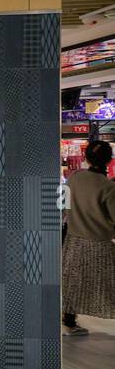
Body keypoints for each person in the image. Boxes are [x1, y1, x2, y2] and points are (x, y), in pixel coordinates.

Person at [61, 139, 115, 336]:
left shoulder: (74, 178)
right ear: (109, 161)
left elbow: (60, 204)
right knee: (106, 284)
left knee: (73, 282)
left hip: (74, 240)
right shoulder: (108, 187)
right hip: (99, 245)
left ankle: (69, 319)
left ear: (86, 158)